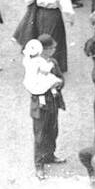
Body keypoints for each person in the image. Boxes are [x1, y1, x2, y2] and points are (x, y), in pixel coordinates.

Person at [25, 38, 66, 178]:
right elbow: (32, 85)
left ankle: (50, 155)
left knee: (53, 130)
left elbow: (61, 79)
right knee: (40, 135)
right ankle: (39, 165)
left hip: (53, 102)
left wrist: (59, 83)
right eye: (52, 48)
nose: (54, 51)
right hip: (40, 105)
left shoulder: (53, 62)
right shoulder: (33, 65)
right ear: (45, 49)